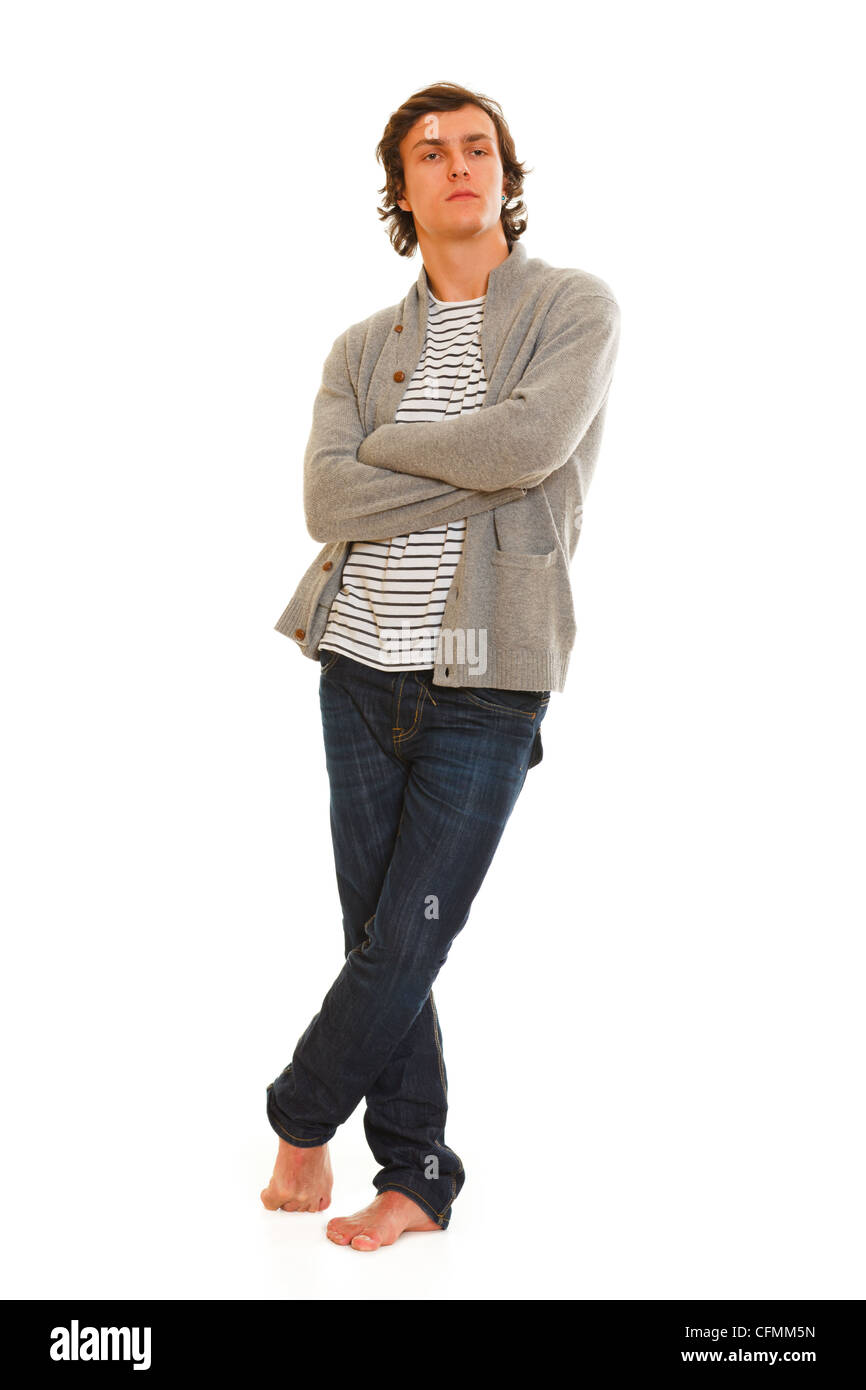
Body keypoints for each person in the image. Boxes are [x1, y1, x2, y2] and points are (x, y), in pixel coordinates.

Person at [261, 82, 621, 1251]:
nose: (457, 163)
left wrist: (393, 458)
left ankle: (299, 1116)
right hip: (358, 661)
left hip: (485, 673)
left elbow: (528, 444)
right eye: (430, 151)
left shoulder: (571, 307)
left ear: (505, 177)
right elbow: (327, 499)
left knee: (412, 929)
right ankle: (415, 1172)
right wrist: (467, 462)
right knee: (376, 932)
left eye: (477, 147)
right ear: (401, 190)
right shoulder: (362, 348)